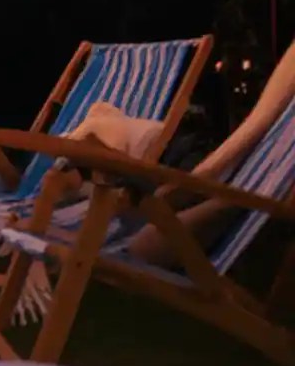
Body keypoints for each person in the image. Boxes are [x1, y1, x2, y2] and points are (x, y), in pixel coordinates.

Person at [113, 38, 295, 267]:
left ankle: (214, 191)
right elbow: (257, 125)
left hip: (250, 193)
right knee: (144, 232)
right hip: (240, 178)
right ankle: (206, 187)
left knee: (145, 245)